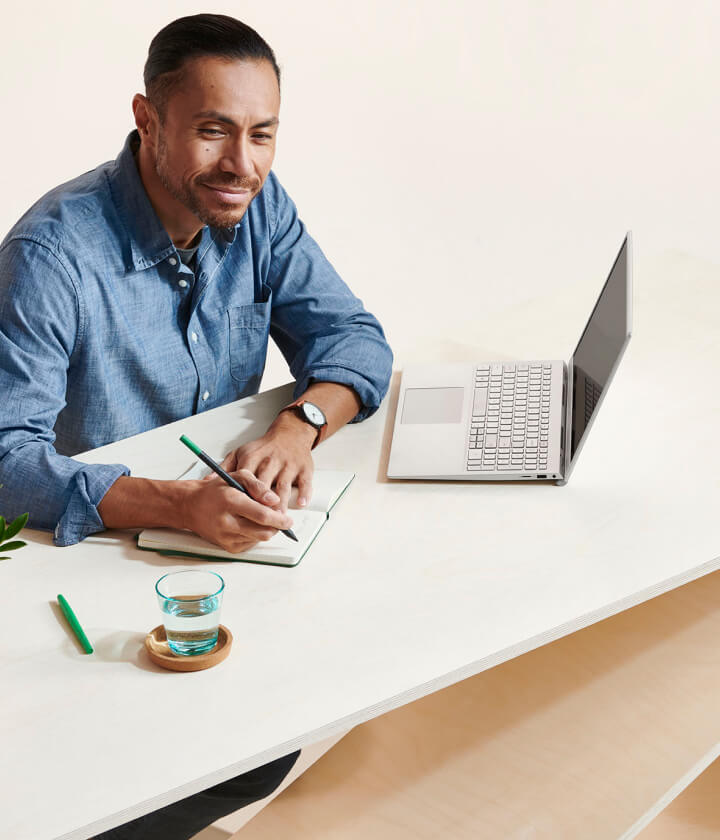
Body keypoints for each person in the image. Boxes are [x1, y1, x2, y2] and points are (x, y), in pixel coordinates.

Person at [0, 13, 392, 839]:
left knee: (318, 699)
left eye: (262, 134)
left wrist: (300, 425)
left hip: (228, 552)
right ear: (148, 121)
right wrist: (177, 507)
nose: (241, 165)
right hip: (83, 574)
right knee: (215, 762)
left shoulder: (259, 206)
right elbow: (4, 459)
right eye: (213, 131)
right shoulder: (52, 254)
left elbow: (353, 339)